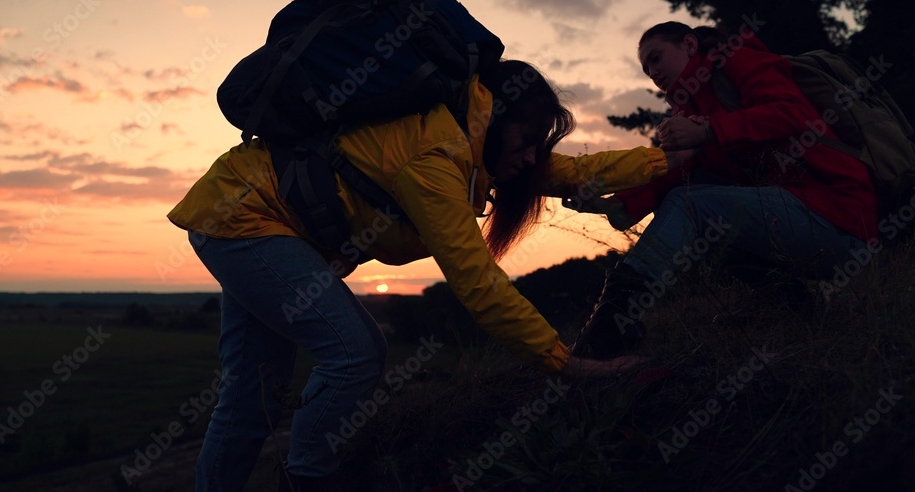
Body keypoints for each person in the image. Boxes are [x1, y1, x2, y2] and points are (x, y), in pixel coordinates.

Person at [167, 59, 684, 491]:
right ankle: (308, 480)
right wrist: (565, 363)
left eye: (537, 147)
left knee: (251, 391)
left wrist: (667, 161)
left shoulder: (469, 146)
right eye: (528, 140)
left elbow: (572, 172)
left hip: (238, 211)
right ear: (496, 120)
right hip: (243, 219)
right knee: (353, 352)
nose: (532, 157)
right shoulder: (436, 159)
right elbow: (477, 282)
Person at [570, 21, 878, 360]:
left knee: (692, 206)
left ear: (689, 44)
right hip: (798, 229)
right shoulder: (688, 111)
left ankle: (610, 327)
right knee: (694, 207)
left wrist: (710, 131)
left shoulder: (738, 63)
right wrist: (615, 206)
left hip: (840, 219)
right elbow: (673, 175)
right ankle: (790, 303)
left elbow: (789, 114)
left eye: (657, 59)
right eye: (646, 70)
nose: (653, 73)